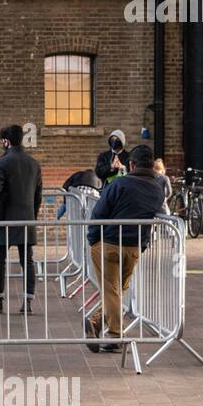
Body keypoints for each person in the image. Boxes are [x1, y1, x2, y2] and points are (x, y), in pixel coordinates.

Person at [84, 145, 164, 353]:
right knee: (118, 290)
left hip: (109, 244)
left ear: (131, 164)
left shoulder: (119, 184)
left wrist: (93, 240)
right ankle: (95, 322)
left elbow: (99, 213)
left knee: (112, 290)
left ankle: (114, 335)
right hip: (134, 247)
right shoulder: (157, 189)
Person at [0, 124, 42, 314]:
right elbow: (38, 196)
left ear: (6, 141)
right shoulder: (34, 163)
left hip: (6, 218)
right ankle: (27, 303)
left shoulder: (2, 163)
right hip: (26, 218)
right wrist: (32, 215)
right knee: (27, 261)